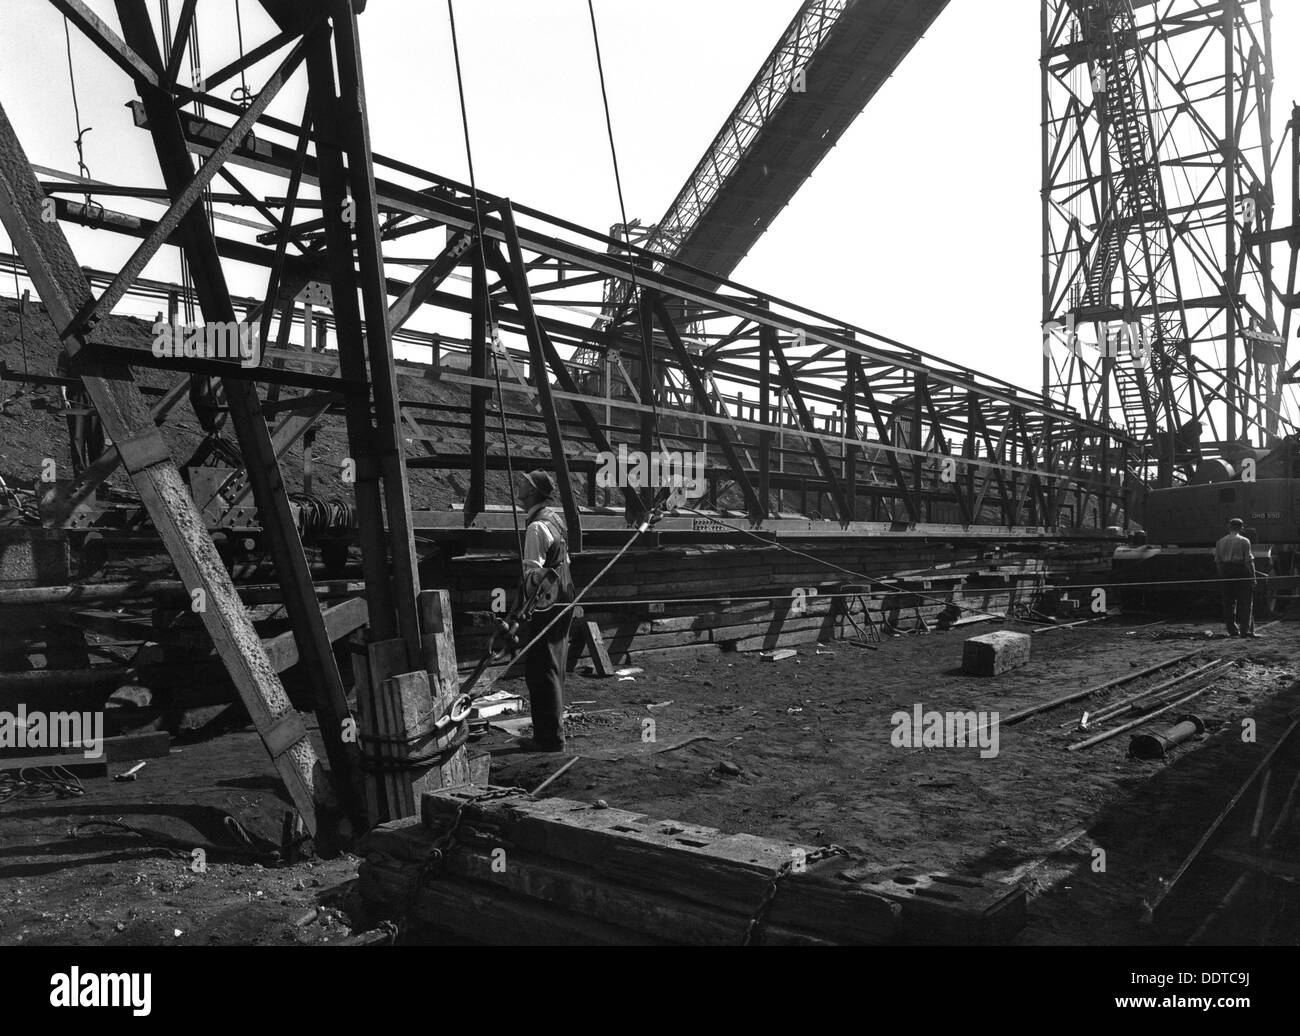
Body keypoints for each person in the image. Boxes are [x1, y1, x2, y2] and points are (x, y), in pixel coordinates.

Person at [513, 470, 575, 752]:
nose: (519, 485)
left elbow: (533, 575)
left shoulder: (536, 527)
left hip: (546, 600)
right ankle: (553, 733)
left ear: (534, 492)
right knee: (553, 665)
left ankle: (548, 739)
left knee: (540, 668)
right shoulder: (555, 519)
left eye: (524, 483)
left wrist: (521, 609)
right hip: (564, 594)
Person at [1215, 517, 1258, 638]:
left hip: (1226, 572)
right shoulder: (1244, 541)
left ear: (1229, 527)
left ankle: (1232, 630)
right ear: (1241, 528)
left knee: (1228, 603)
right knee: (1245, 602)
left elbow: (1218, 562)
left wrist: (1222, 575)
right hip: (1241, 572)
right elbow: (1249, 561)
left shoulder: (1220, 541)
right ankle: (1245, 631)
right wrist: (1253, 577)